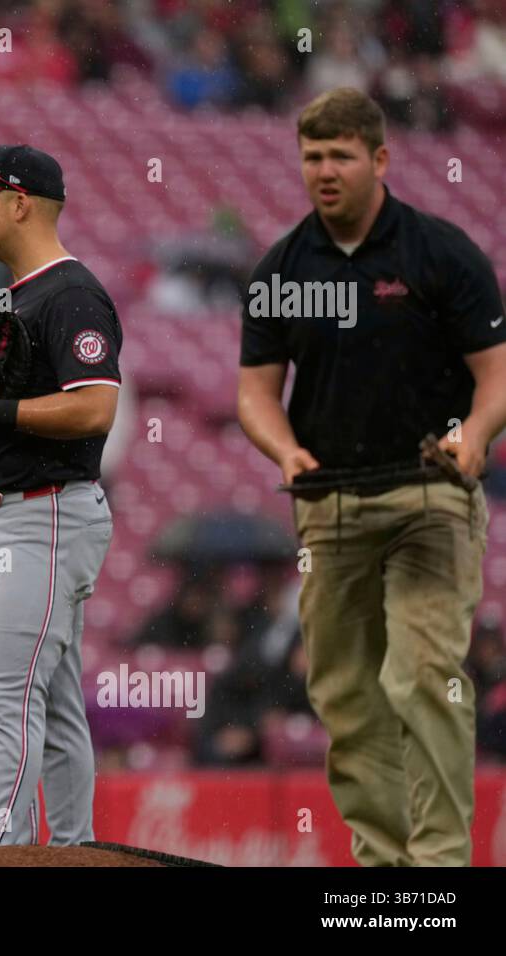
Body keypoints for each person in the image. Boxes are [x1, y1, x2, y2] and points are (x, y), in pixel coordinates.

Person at [237, 88, 506, 867]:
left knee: (423, 676)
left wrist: (475, 433)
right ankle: (385, 872)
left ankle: (441, 869)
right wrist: (284, 451)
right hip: (328, 508)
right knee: (349, 700)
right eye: (312, 156)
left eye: (340, 156)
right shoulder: (280, 268)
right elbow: (255, 393)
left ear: (379, 158)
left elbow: (495, 377)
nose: (324, 171)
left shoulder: (441, 253)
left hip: (430, 496)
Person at [0, 145, 121, 846]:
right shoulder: (22, 296)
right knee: (49, 702)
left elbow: (94, 408)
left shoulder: (70, 293)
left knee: (9, 698)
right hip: (18, 516)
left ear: (20, 203)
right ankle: (72, 849)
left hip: (46, 512)